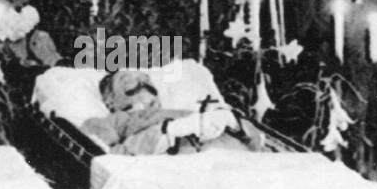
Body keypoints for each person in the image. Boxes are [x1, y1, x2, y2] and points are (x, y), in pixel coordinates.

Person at [81, 70, 260, 156]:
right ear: (109, 100)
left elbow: (260, 143)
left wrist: (236, 124)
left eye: (144, 78)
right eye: (126, 80)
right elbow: (107, 162)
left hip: (241, 163)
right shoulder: (107, 122)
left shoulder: (189, 110)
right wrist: (167, 133)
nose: (141, 81)